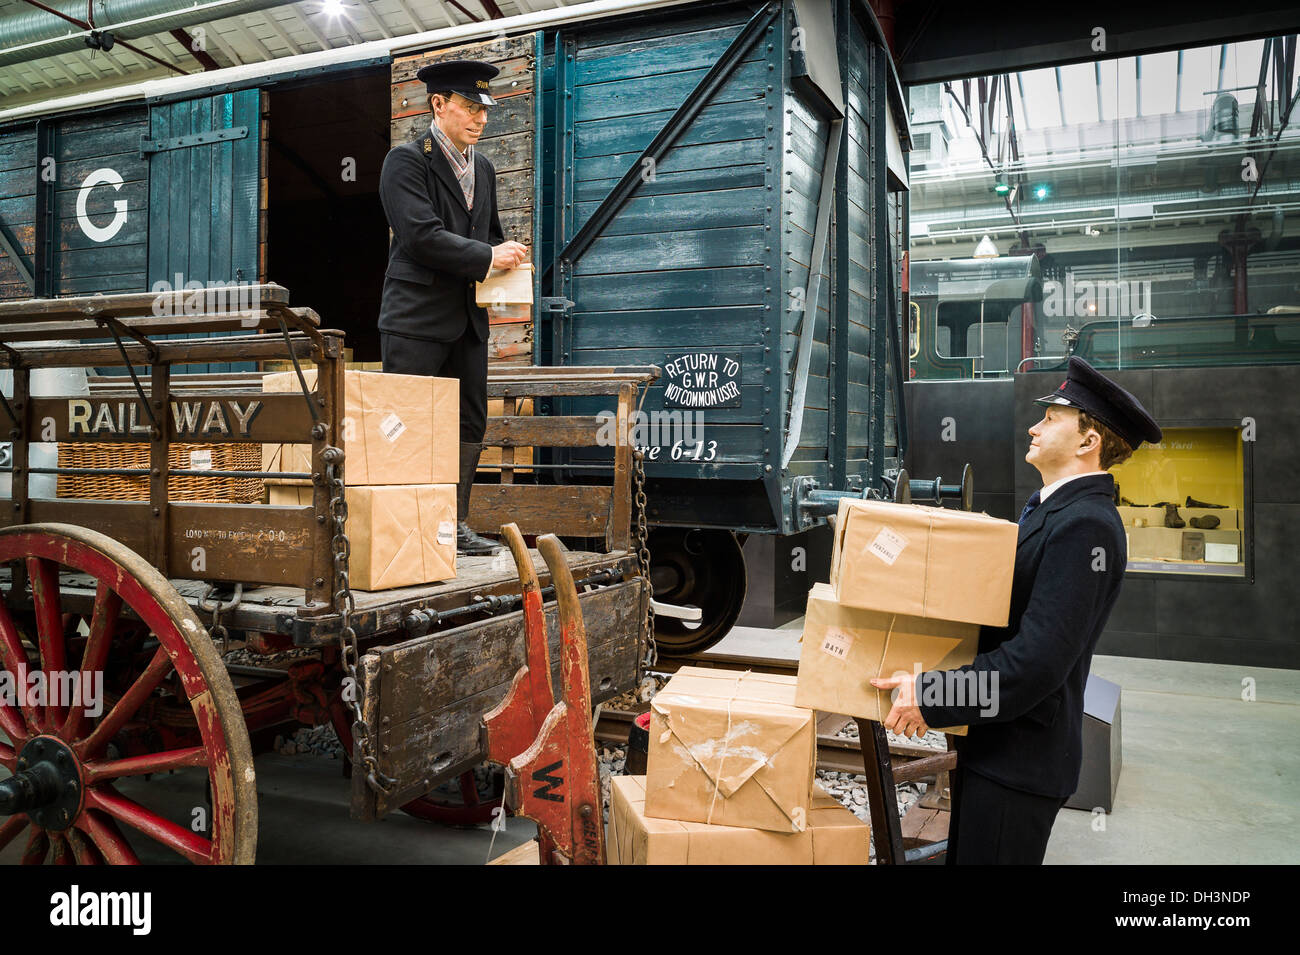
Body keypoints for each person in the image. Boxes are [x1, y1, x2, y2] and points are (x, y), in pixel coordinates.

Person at [871, 356, 1162, 864]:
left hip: (1021, 760)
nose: (1034, 426)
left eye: (1051, 419)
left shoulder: (1086, 526)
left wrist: (932, 693)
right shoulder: (1053, 510)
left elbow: (1035, 664)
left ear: (1087, 442)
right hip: (998, 748)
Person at [377, 58, 529, 555]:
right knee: (408, 423)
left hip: (467, 321)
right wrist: (488, 256)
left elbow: (489, 236)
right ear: (438, 105)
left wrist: (507, 260)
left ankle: (452, 525)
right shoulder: (406, 160)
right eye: (469, 107)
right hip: (415, 321)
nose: (481, 119)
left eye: (484, 109)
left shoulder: (482, 167)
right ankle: (401, 525)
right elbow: (421, 236)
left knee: (468, 422)